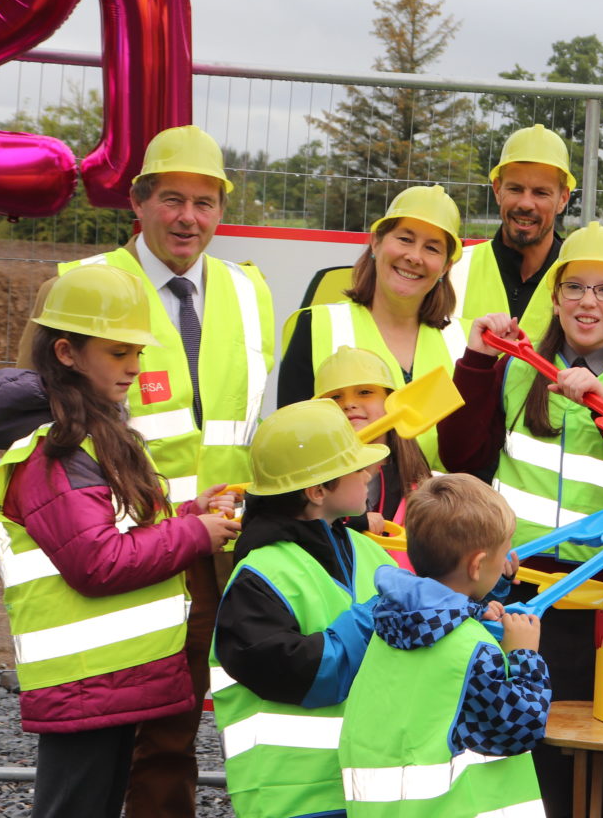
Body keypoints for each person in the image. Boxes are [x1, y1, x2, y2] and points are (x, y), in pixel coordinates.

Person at [17, 124, 275, 818]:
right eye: (171, 199)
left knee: (175, 732)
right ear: (138, 202)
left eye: (204, 202)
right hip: (120, 549)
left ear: (222, 209)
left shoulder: (251, 293)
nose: (188, 218)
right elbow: (38, 419)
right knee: (108, 742)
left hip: (212, 547)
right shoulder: (84, 285)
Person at [0, 265, 241, 818]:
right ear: (67, 353)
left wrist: (192, 510)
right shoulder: (53, 452)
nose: (133, 367)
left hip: (108, 679)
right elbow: (97, 561)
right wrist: (195, 533)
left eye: (138, 352)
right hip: (85, 680)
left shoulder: (88, 434)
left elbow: (116, 526)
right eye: (118, 352)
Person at [438, 221, 603, 818]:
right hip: (518, 592)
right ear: (554, 299)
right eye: (575, 288)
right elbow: (462, 456)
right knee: (522, 746)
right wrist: (479, 361)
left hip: (602, 598)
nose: (588, 302)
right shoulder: (517, 368)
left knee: (601, 758)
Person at [209, 399, 394, 818]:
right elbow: (290, 670)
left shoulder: (369, 552)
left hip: (368, 788)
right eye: (355, 466)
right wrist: (370, 624)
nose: (368, 474)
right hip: (290, 796)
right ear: (316, 492)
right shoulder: (260, 573)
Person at [339, 473, 550, 816]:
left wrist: (477, 609)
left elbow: (441, 611)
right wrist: (523, 655)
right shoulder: (472, 648)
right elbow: (518, 728)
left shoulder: (391, 620)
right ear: (478, 564)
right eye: (502, 555)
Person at [279, 185, 463, 468]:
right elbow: (292, 445)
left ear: (446, 267)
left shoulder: (463, 344)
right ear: (376, 243)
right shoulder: (316, 327)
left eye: (432, 248)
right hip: (345, 510)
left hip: (440, 511)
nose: (414, 256)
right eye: (405, 239)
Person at [445, 123, 577, 355]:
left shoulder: (581, 281)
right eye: (515, 189)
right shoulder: (453, 270)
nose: (526, 204)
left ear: (563, 199)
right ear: (497, 190)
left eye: (541, 193)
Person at [314, 346, 433, 534]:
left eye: (364, 392)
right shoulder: (310, 487)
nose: (349, 404)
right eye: (335, 397)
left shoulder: (424, 487)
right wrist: (348, 529)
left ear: (390, 402)